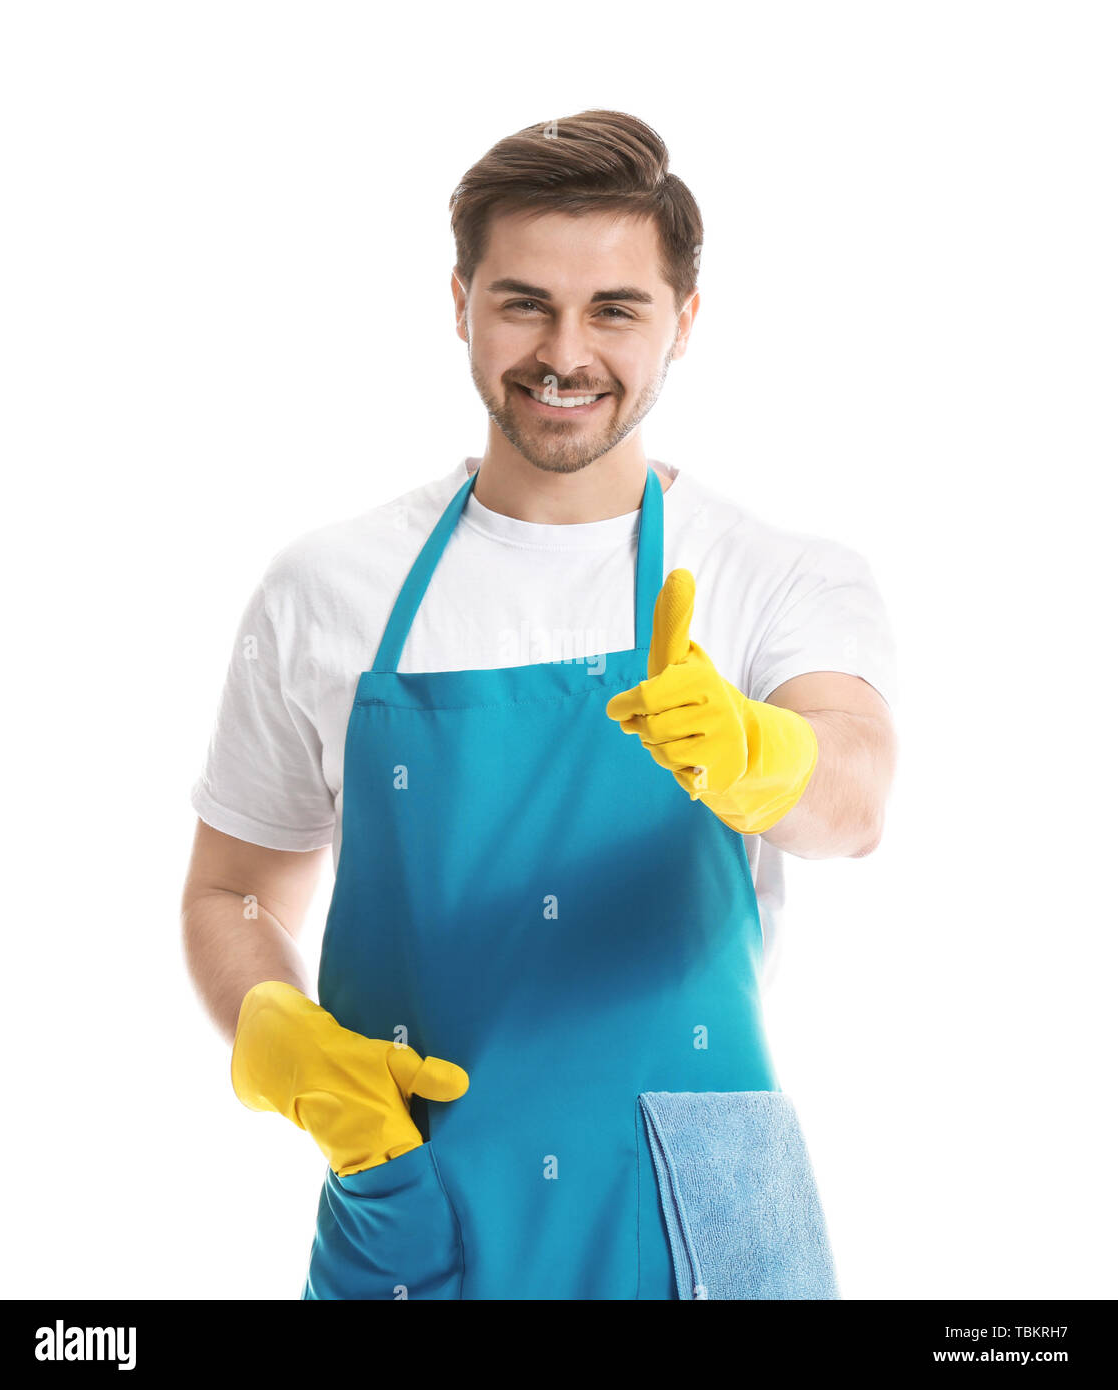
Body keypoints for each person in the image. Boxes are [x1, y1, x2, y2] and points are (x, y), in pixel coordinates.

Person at [181, 109, 898, 1301]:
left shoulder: (772, 572)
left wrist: (755, 752)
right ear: (458, 301)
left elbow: (855, 792)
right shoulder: (328, 587)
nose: (564, 350)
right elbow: (231, 885)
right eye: (522, 302)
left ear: (684, 322)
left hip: (696, 1215)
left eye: (615, 308)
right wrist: (269, 1018)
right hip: (418, 1189)